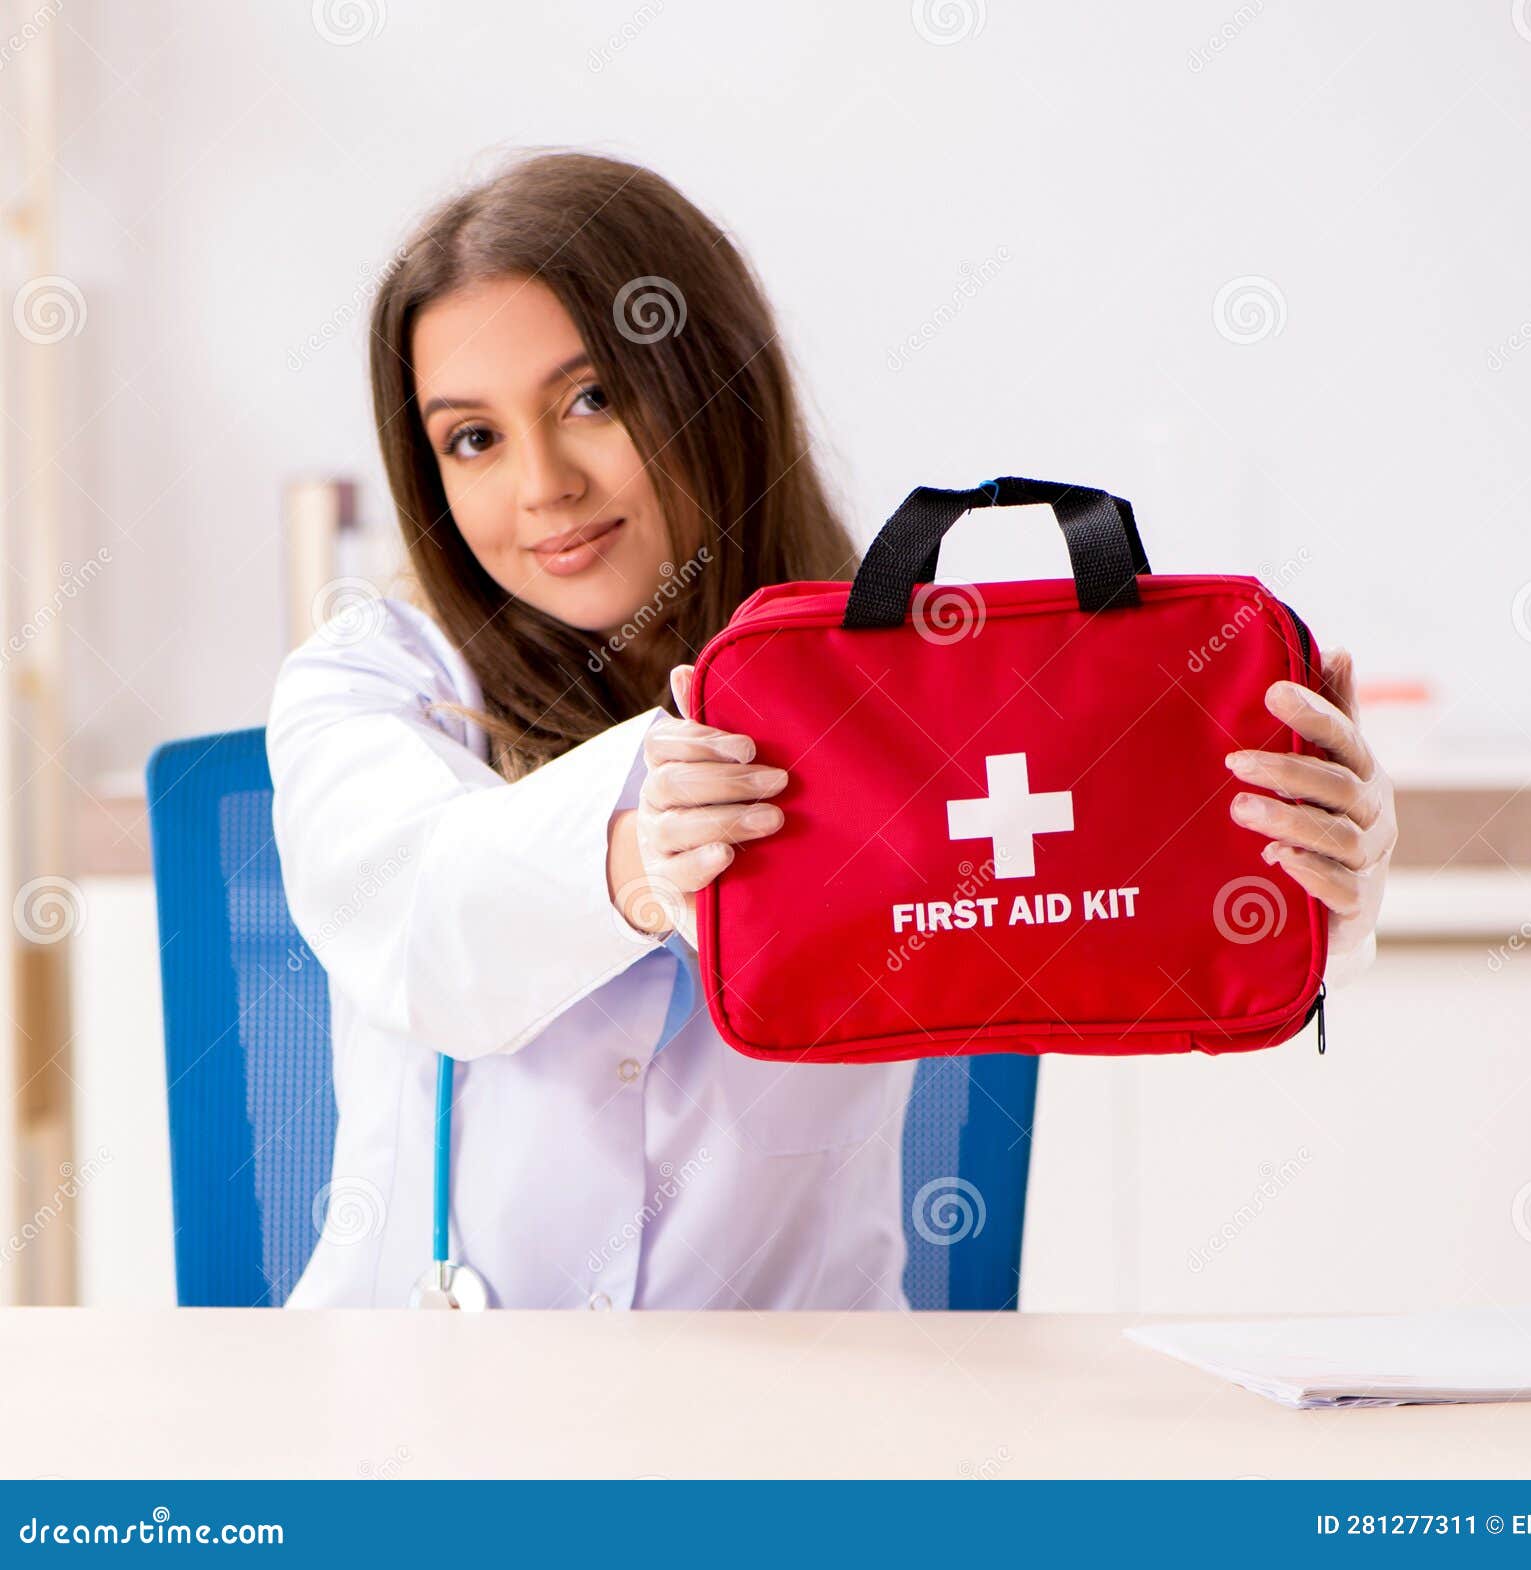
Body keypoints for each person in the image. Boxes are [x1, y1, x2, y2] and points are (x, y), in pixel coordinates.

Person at [266, 150, 1394, 1310]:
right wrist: (635, 849)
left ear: (714, 388)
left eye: (591, 398)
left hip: (802, 1418)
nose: (542, 483)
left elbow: (1103, 907)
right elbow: (418, 920)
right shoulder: (369, 680)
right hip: (433, 1417)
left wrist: (1311, 871)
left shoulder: (899, 681)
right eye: (473, 439)